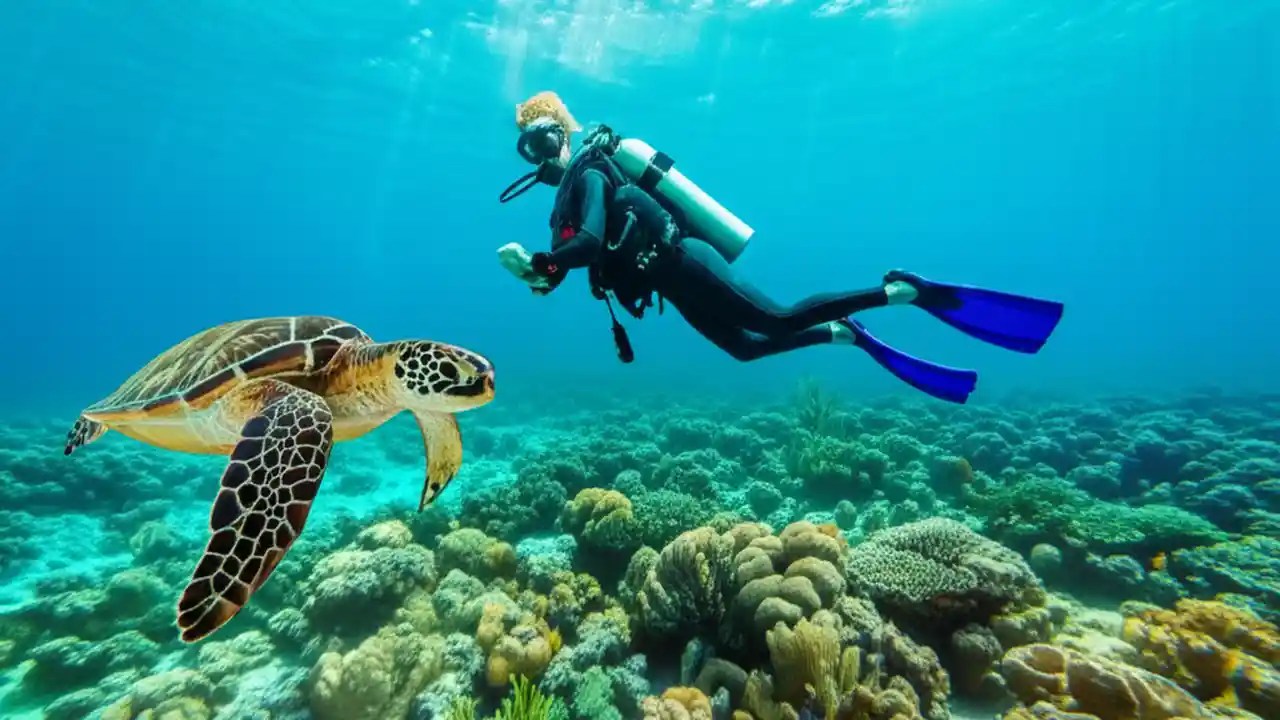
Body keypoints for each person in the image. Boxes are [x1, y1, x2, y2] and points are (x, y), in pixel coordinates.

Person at [495, 91, 1064, 404]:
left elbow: (591, 241)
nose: (539, 153)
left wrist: (546, 262)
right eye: (528, 147)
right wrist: (534, 271)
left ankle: (900, 291)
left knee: (774, 317)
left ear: (564, 132)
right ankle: (842, 334)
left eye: (545, 136)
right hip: (669, 283)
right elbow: (566, 264)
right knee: (744, 348)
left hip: (683, 260)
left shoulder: (592, 172)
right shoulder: (563, 202)